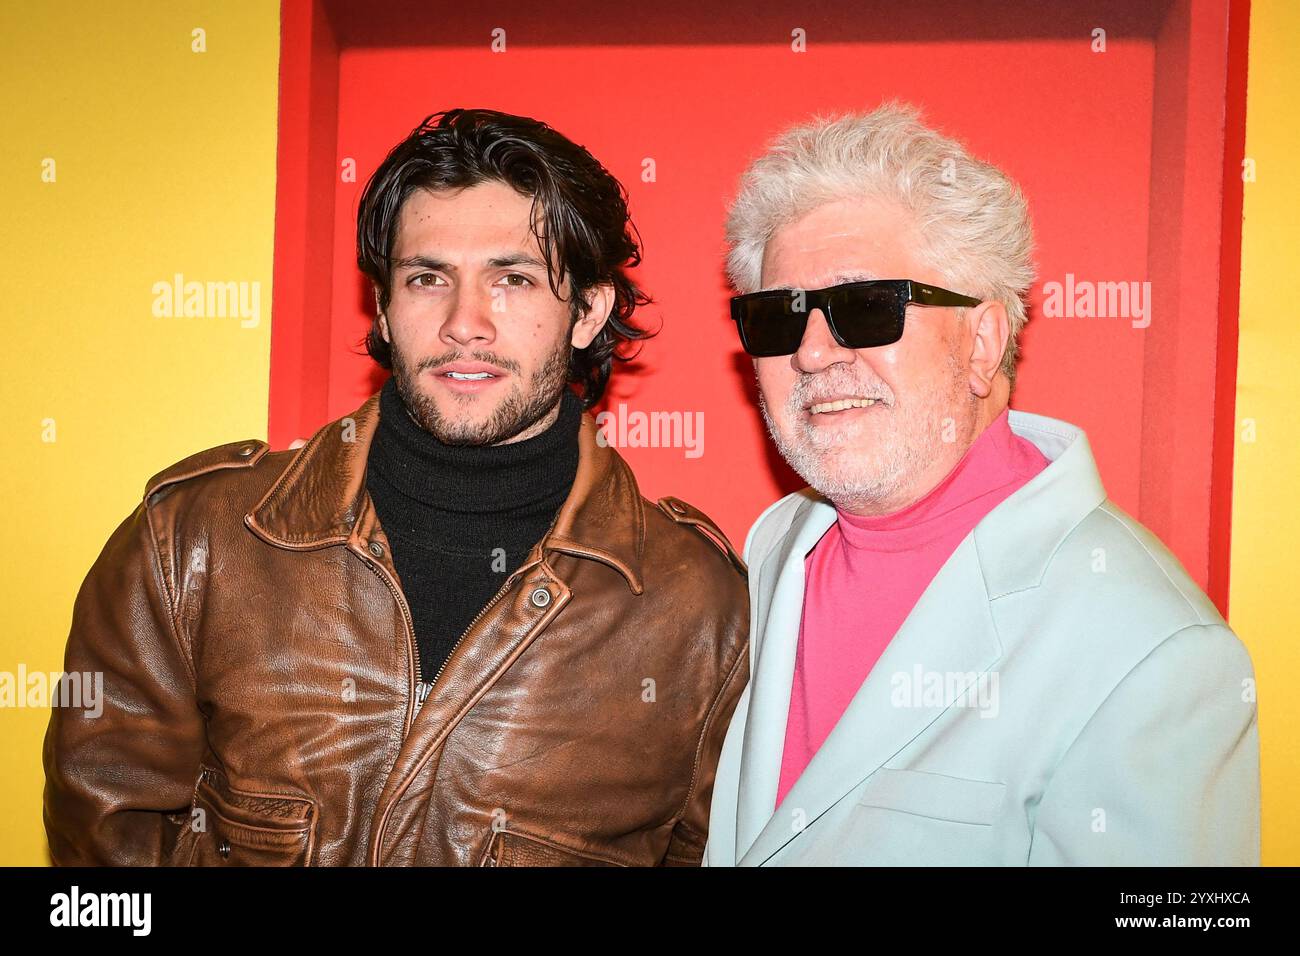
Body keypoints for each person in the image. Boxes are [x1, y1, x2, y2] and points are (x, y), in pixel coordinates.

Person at [44, 108, 749, 867]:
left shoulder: (701, 610)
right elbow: (102, 854)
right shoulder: (196, 539)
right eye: (426, 278)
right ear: (382, 307)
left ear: (588, 311)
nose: (463, 324)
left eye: (512, 279)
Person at [704, 102, 1259, 866]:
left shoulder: (1151, 647)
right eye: (778, 316)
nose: (811, 353)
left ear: (982, 342)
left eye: (865, 308)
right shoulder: (772, 553)